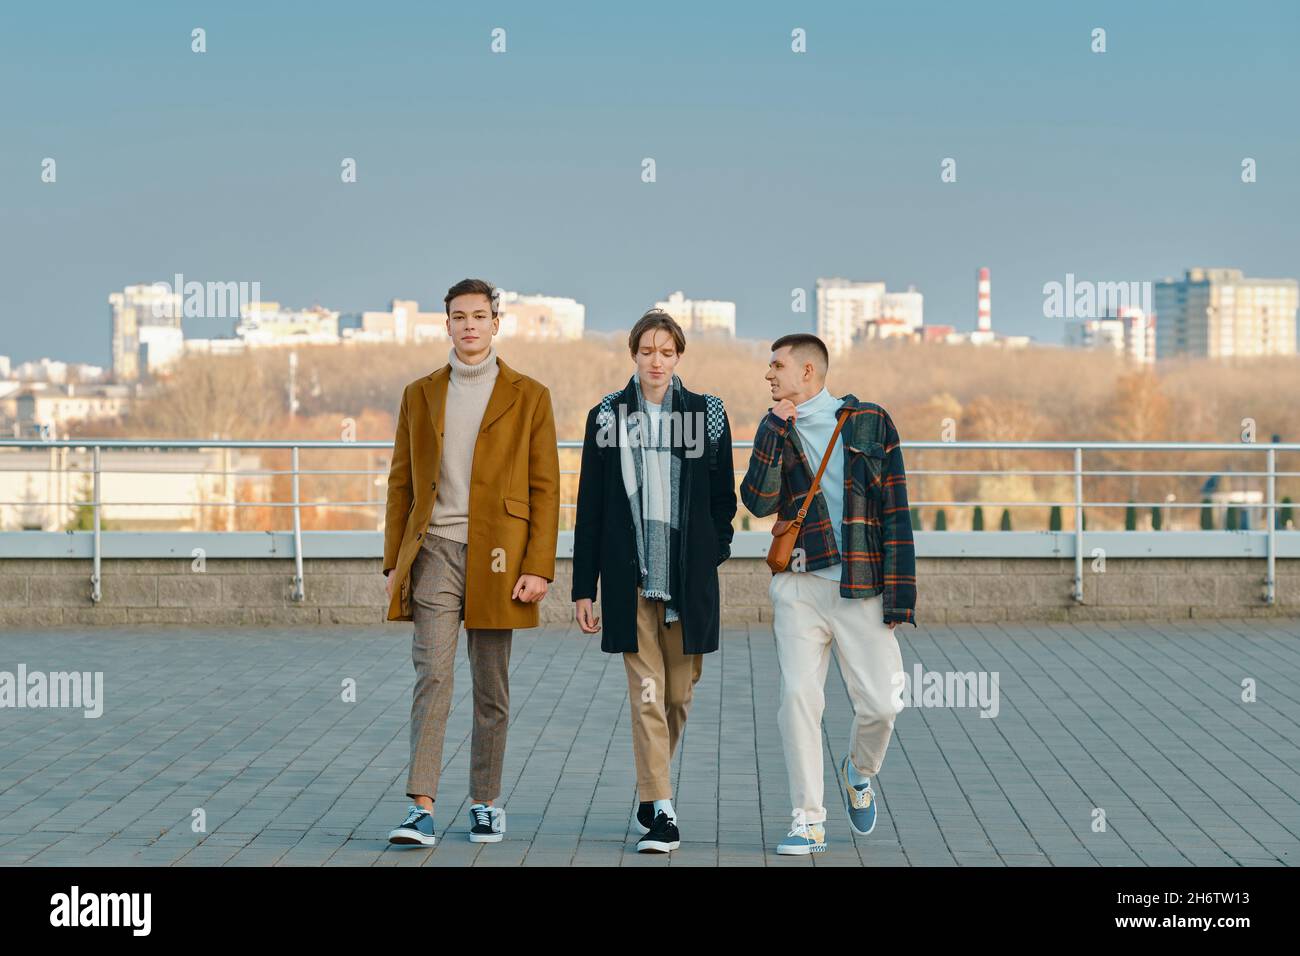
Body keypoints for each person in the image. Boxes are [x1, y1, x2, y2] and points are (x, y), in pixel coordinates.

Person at [381, 278, 560, 848]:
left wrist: (540, 566)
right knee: (432, 675)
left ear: (496, 322)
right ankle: (421, 807)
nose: (469, 326)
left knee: (491, 685)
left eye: (479, 316)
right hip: (433, 548)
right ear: (447, 324)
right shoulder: (420, 393)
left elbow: (546, 488)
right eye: (459, 316)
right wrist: (394, 559)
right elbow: (400, 482)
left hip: (500, 557)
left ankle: (485, 802)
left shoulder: (529, 394)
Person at [740, 333, 917, 855]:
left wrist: (899, 596)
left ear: (809, 373)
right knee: (798, 698)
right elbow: (755, 500)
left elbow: (896, 510)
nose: (768, 375)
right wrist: (774, 432)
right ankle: (807, 818)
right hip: (797, 585)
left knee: (883, 705)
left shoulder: (870, 422)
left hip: (859, 585)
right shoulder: (775, 426)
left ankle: (858, 773)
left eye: (777, 366)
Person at [572, 308, 737, 853]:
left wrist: (714, 550)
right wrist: (583, 587)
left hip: (686, 579)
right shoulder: (608, 416)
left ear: (679, 356)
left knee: (678, 694)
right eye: (647, 351)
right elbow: (590, 507)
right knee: (647, 692)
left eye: (666, 352)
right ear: (634, 355)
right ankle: (663, 809)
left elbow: (721, 497)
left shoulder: (704, 414)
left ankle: (650, 788)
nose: (656, 361)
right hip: (630, 577)